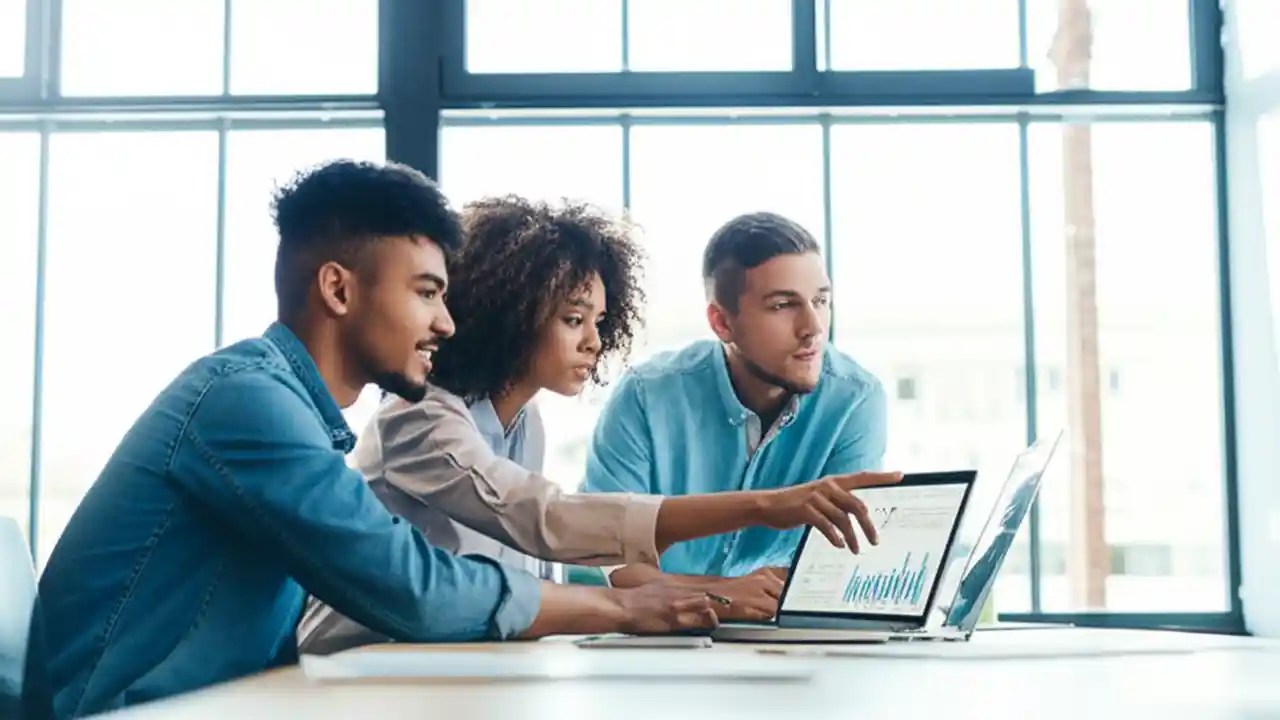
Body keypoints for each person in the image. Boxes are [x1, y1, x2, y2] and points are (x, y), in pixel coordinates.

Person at [35, 162, 732, 718]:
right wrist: (617, 606)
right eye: (427, 293)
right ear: (338, 290)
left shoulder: (290, 411)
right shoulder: (245, 403)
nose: (447, 323)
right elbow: (408, 583)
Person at [297, 196, 901, 654]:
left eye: (599, 319)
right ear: (511, 316)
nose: (594, 341)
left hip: (455, 662)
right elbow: (551, 521)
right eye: (572, 318)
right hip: (361, 665)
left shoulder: (523, 422)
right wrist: (765, 508)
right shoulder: (419, 418)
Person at [582, 211, 889, 588]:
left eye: (820, 301)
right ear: (722, 323)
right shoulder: (646, 395)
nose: (813, 328)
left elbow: (832, 563)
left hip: (784, 639)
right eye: (783, 305)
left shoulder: (856, 399)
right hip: (655, 638)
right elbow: (613, 554)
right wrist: (725, 597)